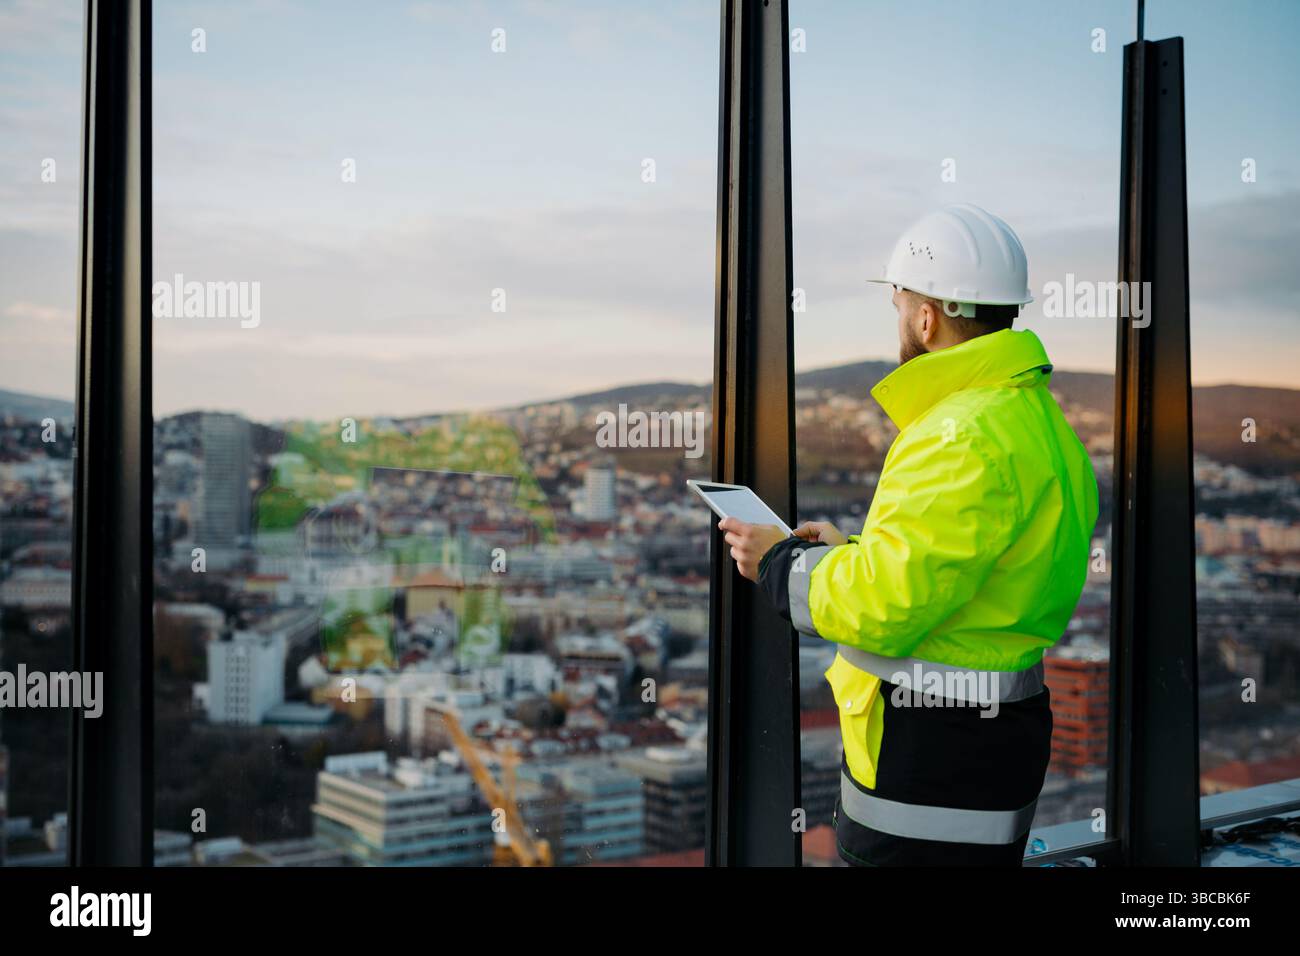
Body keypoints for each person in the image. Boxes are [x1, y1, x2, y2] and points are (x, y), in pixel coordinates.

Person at [719, 204, 1098, 866]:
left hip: (927, 762)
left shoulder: (959, 433)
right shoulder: (1036, 421)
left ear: (926, 317)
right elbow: (960, 580)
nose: (897, 321)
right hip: (995, 741)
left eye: (899, 304)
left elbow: (884, 606)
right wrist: (847, 554)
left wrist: (780, 561)